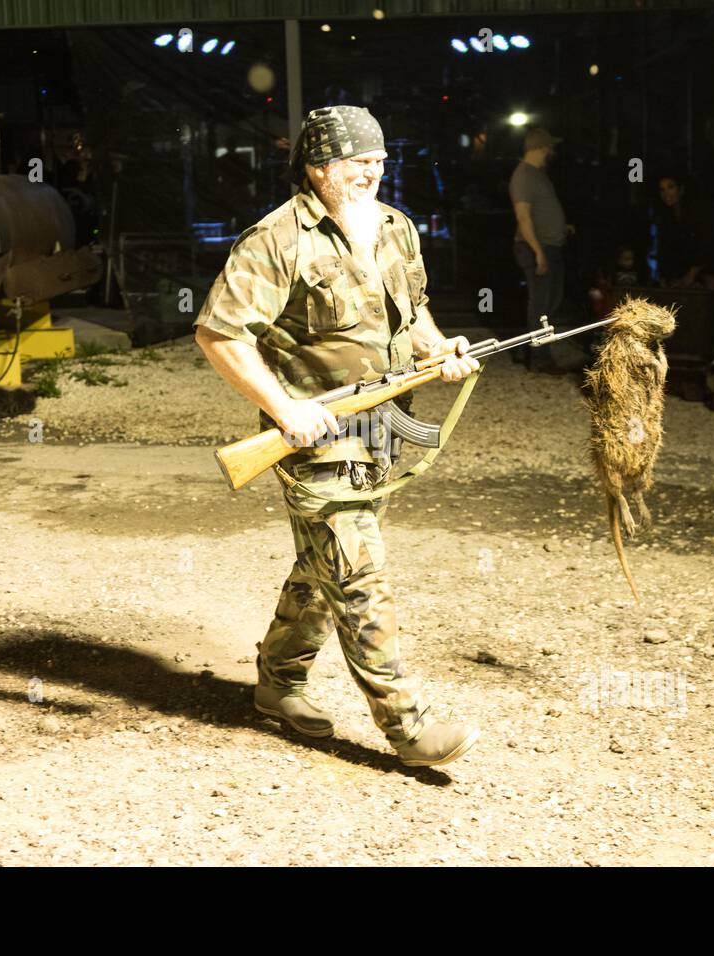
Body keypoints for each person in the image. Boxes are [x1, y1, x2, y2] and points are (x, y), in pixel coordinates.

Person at [193, 105, 482, 768]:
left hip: (381, 433)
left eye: (380, 161)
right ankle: (409, 728)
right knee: (360, 576)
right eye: (358, 163)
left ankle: (278, 685)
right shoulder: (277, 239)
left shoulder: (394, 227)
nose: (373, 173)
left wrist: (440, 350)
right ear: (320, 168)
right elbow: (219, 334)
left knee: (322, 569)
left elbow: (410, 314)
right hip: (315, 441)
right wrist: (284, 407)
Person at [510, 127, 575, 370]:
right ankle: (539, 358)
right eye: (549, 147)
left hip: (549, 245)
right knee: (541, 304)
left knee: (549, 301)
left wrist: (560, 226)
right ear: (540, 148)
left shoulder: (537, 174)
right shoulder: (524, 175)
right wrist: (537, 251)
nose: (552, 151)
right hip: (538, 248)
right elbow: (523, 217)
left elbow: (539, 211)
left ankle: (527, 349)